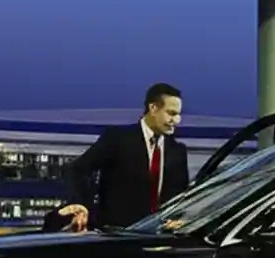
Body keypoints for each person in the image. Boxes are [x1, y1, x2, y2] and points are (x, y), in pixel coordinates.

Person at [47, 82, 190, 232]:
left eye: (179, 114)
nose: (177, 120)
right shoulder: (117, 139)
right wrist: (81, 205)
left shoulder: (177, 151)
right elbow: (77, 169)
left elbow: (181, 195)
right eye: (172, 113)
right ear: (153, 108)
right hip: (115, 236)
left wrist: (178, 218)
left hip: (157, 238)